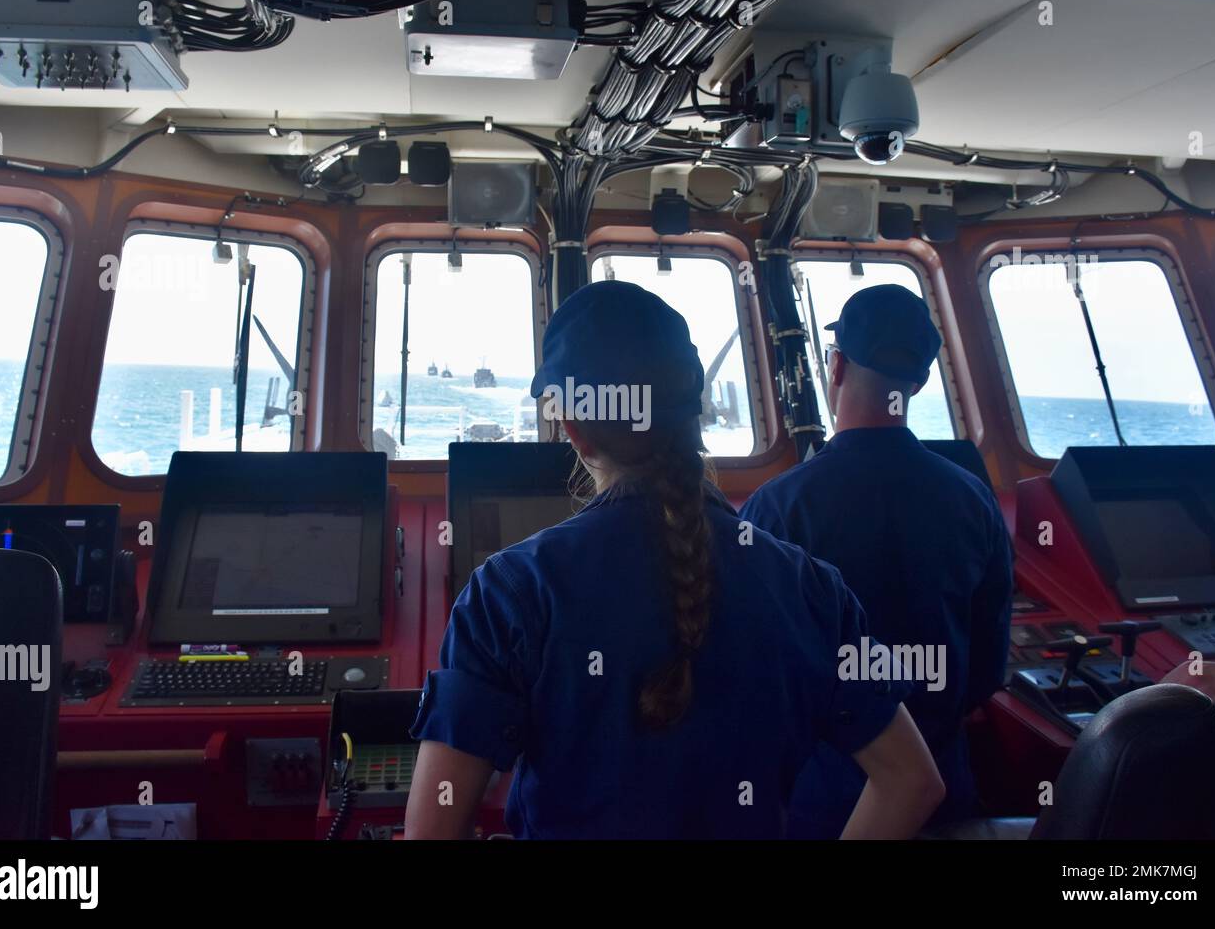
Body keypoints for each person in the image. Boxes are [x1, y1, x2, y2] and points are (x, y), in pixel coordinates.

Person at [405, 280, 944, 839]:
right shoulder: (811, 588)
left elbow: (430, 833)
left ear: (574, 431)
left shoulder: (510, 592)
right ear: (697, 414)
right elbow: (912, 783)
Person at [740, 283, 1012, 837]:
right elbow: (987, 670)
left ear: (835, 367)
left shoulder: (779, 507)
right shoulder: (972, 498)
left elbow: (754, 676)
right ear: (922, 379)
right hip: (942, 789)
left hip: (822, 801)